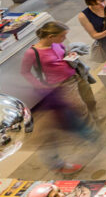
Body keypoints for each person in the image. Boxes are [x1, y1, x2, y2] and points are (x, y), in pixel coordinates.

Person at [21, 21, 99, 174]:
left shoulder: (57, 44)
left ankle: (93, 126)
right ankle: (92, 133)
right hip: (61, 84)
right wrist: (38, 85)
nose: (64, 39)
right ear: (51, 36)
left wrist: (71, 55)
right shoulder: (32, 53)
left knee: (90, 101)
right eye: (62, 36)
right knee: (80, 108)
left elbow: (63, 54)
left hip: (76, 76)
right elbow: (25, 72)